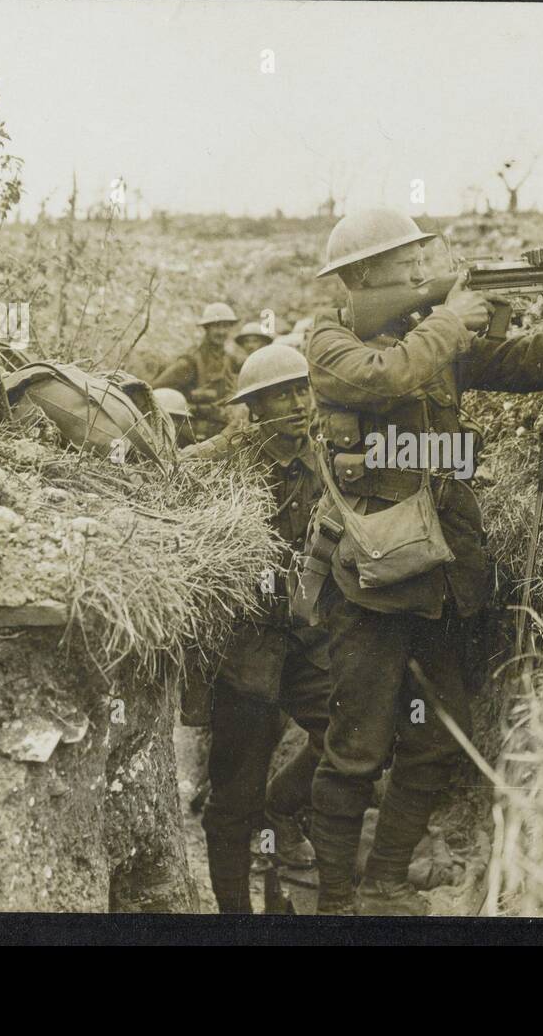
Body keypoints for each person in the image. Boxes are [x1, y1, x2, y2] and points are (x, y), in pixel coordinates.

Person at [301, 209, 543, 915]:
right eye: (405, 265)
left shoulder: (430, 331)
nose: (422, 271)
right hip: (369, 575)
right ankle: (332, 900)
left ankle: (384, 880)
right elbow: (385, 376)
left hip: (437, 569)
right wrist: (452, 317)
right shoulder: (331, 340)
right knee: (356, 749)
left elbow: (533, 361)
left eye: (424, 260)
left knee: (435, 737)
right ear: (360, 277)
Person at [180, 344, 331, 914]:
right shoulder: (226, 458)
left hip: (303, 637)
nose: (296, 404)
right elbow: (173, 475)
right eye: (281, 396)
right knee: (232, 799)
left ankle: (283, 805)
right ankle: (233, 912)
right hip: (241, 652)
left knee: (354, 739)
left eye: (301, 390)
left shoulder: (319, 456)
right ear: (257, 407)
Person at [151, 302, 243, 440]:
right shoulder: (190, 362)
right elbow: (154, 390)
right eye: (217, 326)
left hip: (223, 427)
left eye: (225, 326)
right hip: (194, 431)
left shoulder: (230, 360)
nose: (222, 332)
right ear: (207, 328)